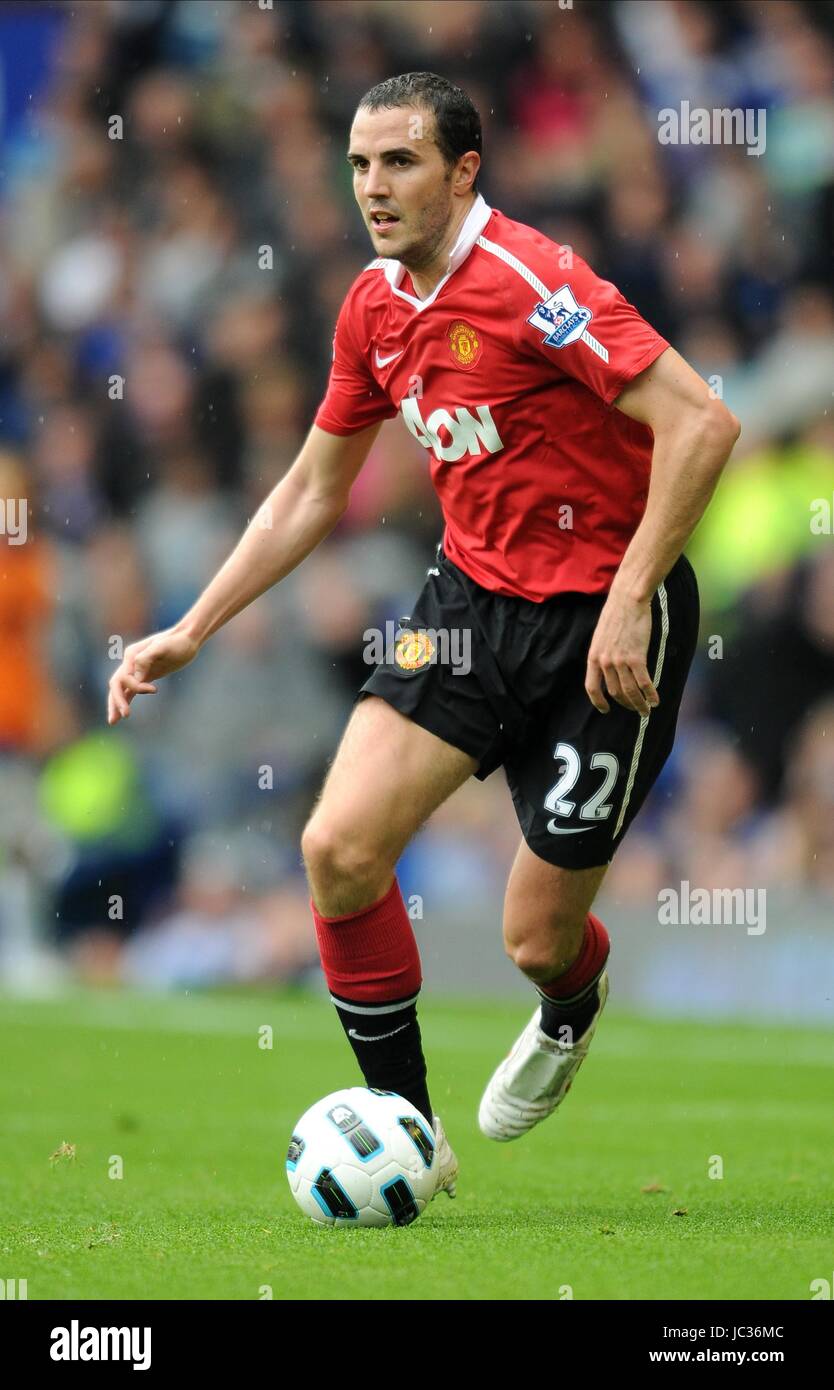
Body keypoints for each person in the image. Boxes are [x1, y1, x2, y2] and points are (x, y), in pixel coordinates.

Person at [107, 72, 740, 1202]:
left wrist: (635, 589)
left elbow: (703, 419)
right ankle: (412, 1130)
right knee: (338, 849)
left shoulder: (535, 282)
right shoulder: (374, 306)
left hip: (604, 616)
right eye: (358, 164)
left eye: (398, 162)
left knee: (535, 940)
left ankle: (572, 999)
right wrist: (191, 627)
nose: (372, 187)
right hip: (465, 608)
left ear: (463, 171)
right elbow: (311, 489)